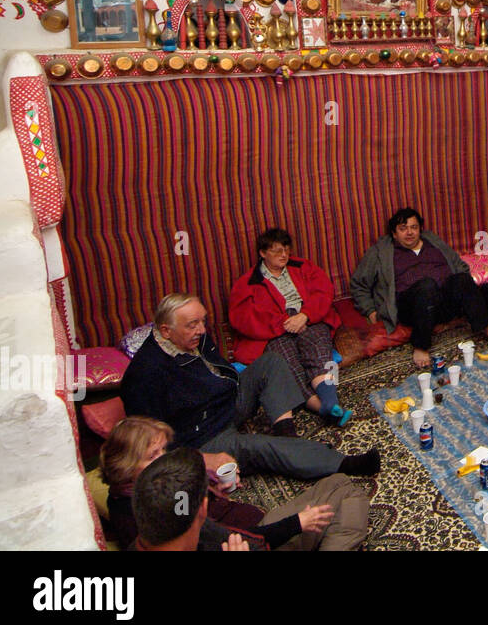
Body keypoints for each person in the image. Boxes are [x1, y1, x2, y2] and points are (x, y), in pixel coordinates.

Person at [121, 293, 381, 481]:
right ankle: (342, 463)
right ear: (165, 331)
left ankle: (287, 434)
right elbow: (150, 445)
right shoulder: (145, 374)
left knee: (272, 362)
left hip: (227, 401)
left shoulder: (194, 338)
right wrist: (199, 458)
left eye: (203, 321)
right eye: (193, 325)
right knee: (260, 447)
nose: (202, 330)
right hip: (204, 436)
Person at [102, 416, 370, 551]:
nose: (163, 459)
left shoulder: (156, 505)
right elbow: (249, 541)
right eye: (153, 455)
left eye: (164, 451)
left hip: (251, 532)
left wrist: (208, 489)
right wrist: (297, 522)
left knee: (342, 488)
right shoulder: (177, 518)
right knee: (346, 491)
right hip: (262, 537)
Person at [350, 207, 488, 368]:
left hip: (443, 302)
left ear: (420, 229)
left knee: (487, 286)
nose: (409, 232)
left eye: (414, 227)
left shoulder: (432, 241)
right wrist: (370, 311)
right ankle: (421, 346)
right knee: (426, 286)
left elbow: (460, 267)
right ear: (394, 233)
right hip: (411, 306)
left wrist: (466, 293)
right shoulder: (381, 252)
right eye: (403, 228)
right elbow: (358, 284)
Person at [228, 228, 351, 427]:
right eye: (277, 251)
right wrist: (283, 324)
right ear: (262, 253)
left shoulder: (302, 266)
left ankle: (330, 401)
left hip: (307, 319)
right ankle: (324, 408)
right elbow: (242, 318)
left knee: (319, 350)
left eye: (286, 250)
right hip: (274, 332)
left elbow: (323, 290)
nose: (284, 255)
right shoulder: (248, 282)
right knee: (286, 363)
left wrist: (305, 315)